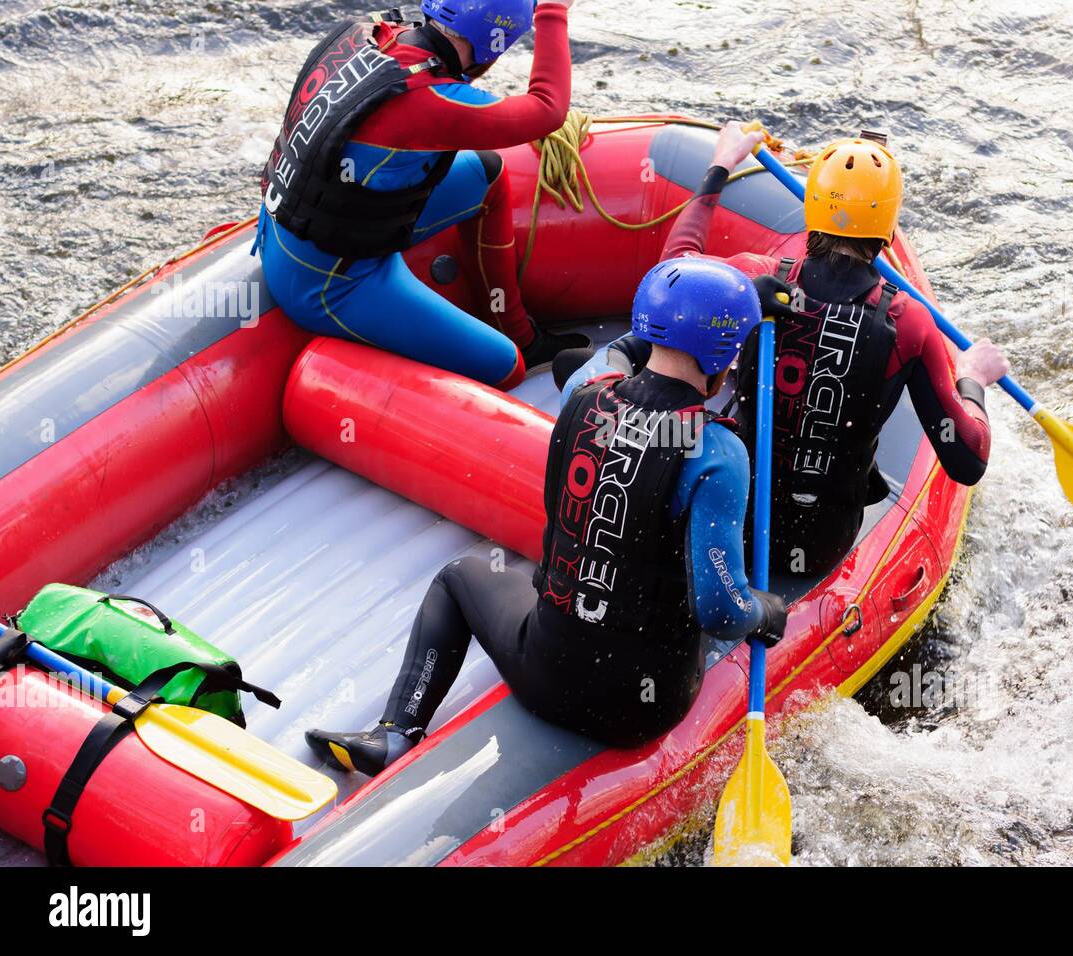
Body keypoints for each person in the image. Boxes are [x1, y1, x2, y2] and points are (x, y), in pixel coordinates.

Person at [306, 257, 788, 774]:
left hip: (543, 674)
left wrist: (679, 319)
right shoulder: (718, 451)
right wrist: (765, 611)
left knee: (459, 576)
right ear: (722, 357)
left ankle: (396, 733)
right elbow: (720, 610)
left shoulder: (581, 396)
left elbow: (617, 356)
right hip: (642, 708)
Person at [650, 123, 1012, 578]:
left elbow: (671, 272)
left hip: (733, 521)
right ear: (888, 224)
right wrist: (972, 380)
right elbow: (968, 459)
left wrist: (721, 165)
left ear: (812, 205)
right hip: (820, 544)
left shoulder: (754, 277)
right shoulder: (909, 323)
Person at [254, 0, 589, 392]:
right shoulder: (431, 102)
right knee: (505, 366)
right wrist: (552, 10)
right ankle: (512, 349)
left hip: (295, 226)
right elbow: (547, 111)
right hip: (329, 282)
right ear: (493, 42)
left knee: (487, 175)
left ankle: (513, 325)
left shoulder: (373, 34)